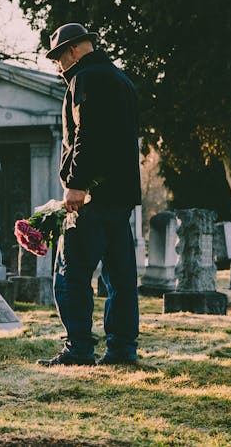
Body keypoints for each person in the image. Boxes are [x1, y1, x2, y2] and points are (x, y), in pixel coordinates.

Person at [38, 22, 142, 367]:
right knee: (121, 277)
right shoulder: (121, 80)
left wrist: (76, 184)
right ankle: (122, 350)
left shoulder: (86, 79)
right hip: (121, 195)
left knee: (70, 274)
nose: (58, 65)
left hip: (91, 195)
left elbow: (87, 135)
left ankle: (79, 348)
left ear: (72, 50)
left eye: (58, 57)